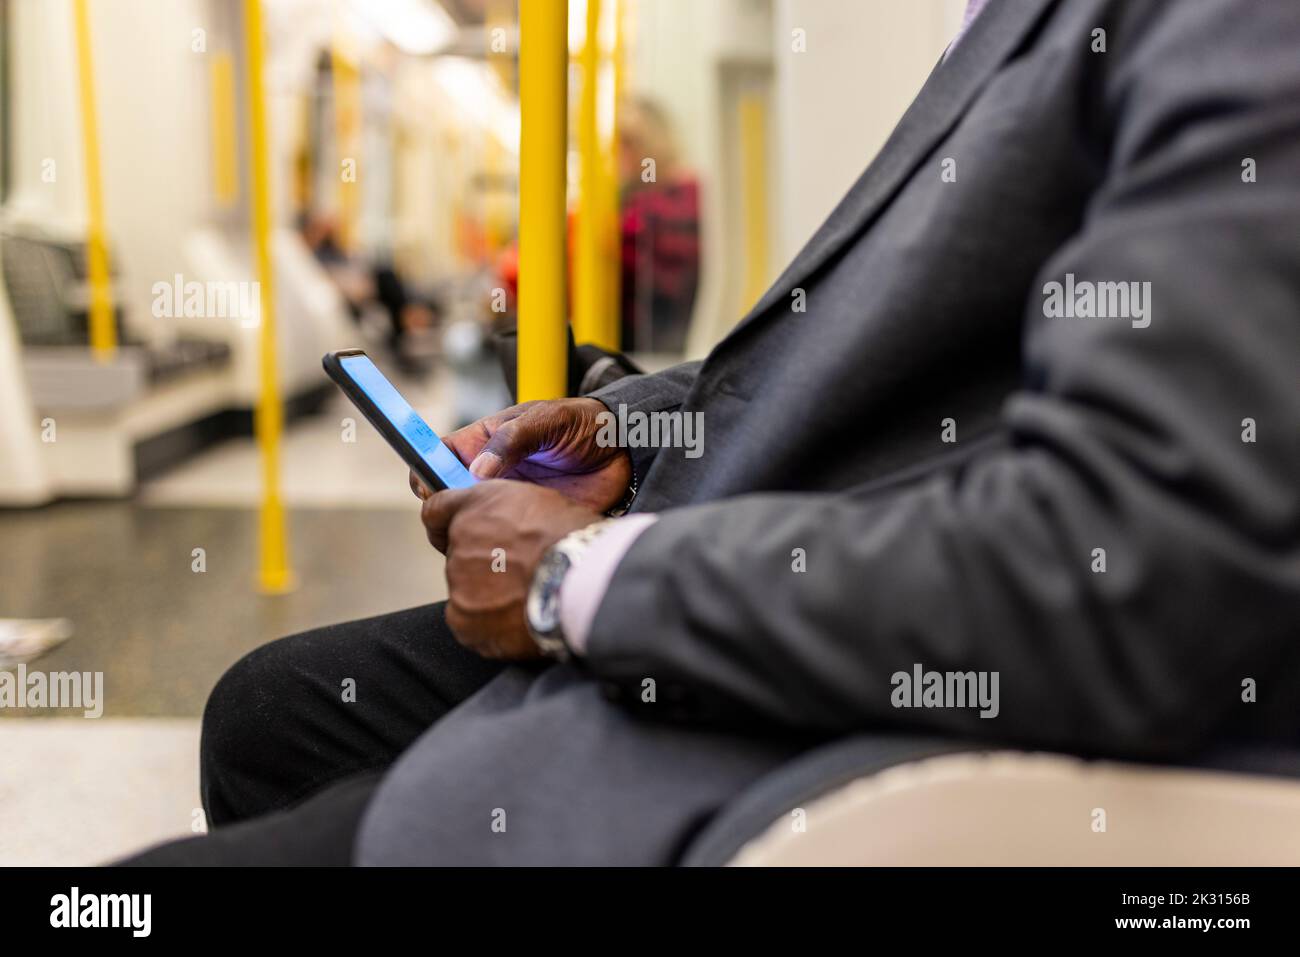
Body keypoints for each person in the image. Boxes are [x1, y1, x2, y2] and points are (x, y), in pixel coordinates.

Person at [122, 0, 1300, 865]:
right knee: (272, 711)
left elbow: (1135, 560)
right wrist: (633, 429)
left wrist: (573, 579)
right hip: (799, 548)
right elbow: (887, 380)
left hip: (888, 670)